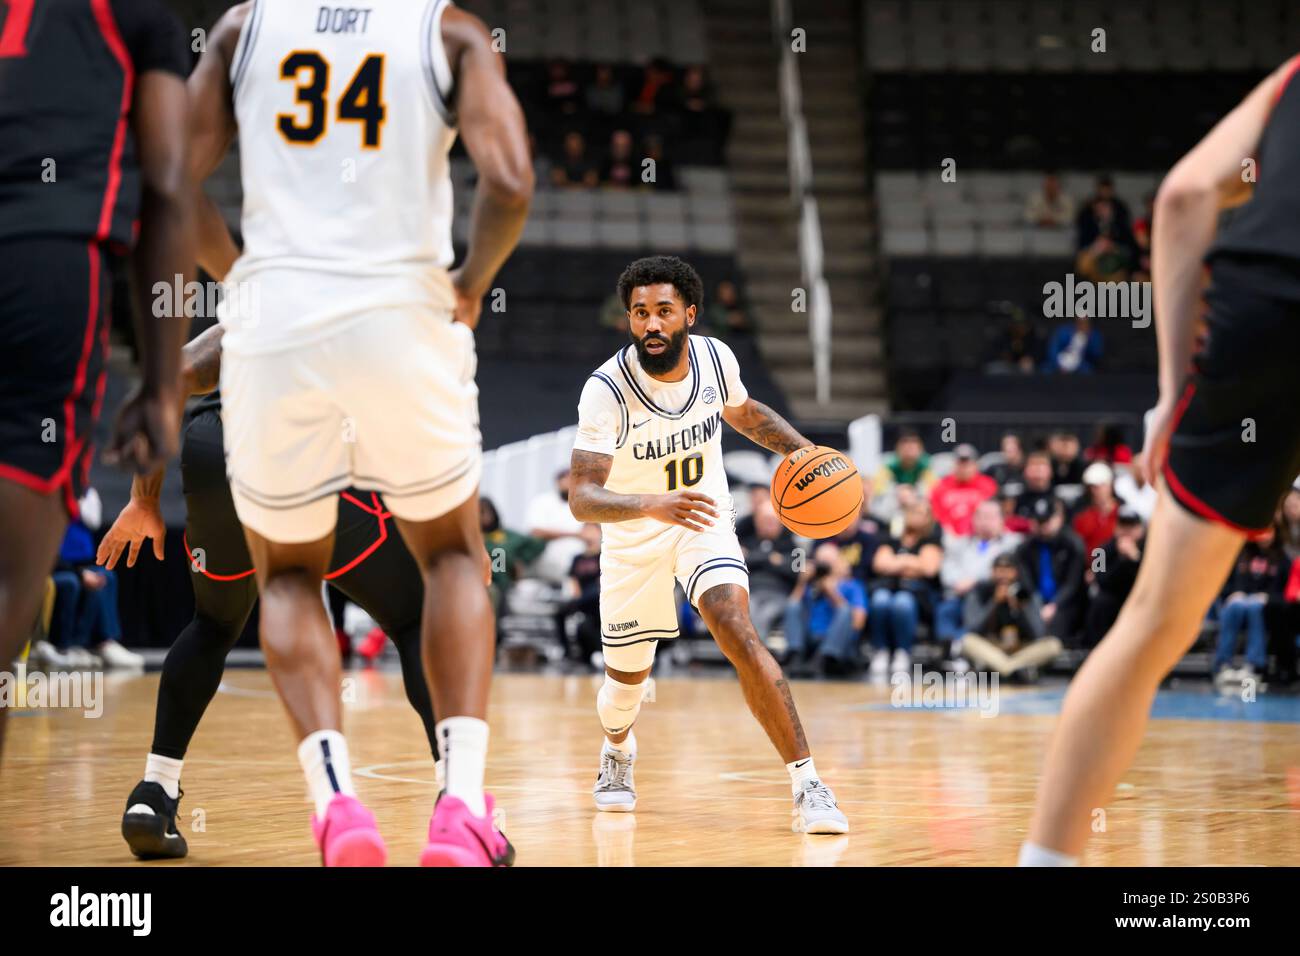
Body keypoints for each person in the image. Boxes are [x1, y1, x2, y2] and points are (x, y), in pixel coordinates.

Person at [185, 0, 532, 866]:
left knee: (290, 573)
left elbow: (164, 178)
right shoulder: (447, 31)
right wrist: (471, 282)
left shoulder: (241, 29)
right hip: (402, 316)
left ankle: (337, 803)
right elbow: (513, 181)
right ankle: (459, 805)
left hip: (274, 329)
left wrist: (252, 285)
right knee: (452, 555)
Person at [1023, 56, 1300, 866]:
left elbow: (1183, 196)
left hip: (1264, 306)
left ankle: (1048, 859)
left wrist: (1172, 397)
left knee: (1152, 627)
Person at [94, 328, 480, 860]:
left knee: (213, 625)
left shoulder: (264, 289)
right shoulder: (380, 296)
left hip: (216, 451)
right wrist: (461, 535)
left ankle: (154, 790)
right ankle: (458, 803)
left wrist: (144, 500)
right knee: (415, 619)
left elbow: (174, 374)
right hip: (313, 453)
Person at [569, 255, 847, 833]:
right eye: (639, 313)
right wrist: (649, 504)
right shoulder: (607, 391)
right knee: (626, 684)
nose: (650, 324)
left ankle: (808, 784)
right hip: (632, 536)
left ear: (689, 315)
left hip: (703, 518)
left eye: (663, 311)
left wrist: (803, 451)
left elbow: (744, 414)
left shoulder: (717, 359)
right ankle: (617, 751)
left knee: (737, 629)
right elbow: (583, 497)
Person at [0, 0, 193, 765]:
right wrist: (161, 382)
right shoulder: (131, 15)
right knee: (12, 577)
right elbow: (171, 185)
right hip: (43, 260)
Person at [935, 499, 1022, 663]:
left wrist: (974, 581)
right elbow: (947, 569)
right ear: (973, 520)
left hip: (988, 596)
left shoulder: (1012, 543)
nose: (985, 522)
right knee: (946, 610)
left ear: (1001, 520)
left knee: (973, 611)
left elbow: (1004, 573)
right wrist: (958, 583)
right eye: (980, 517)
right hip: (958, 594)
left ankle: (962, 651)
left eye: (990, 517)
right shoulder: (960, 543)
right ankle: (949, 651)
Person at [1211, 522, 1291, 692]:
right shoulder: (1242, 555)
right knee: (1234, 606)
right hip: (1241, 604)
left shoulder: (1283, 559)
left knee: (1256, 607)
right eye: (1262, 531)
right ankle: (1223, 663)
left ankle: (1253, 665)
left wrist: (1268, 598)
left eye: (1269, 532)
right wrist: (1234, 593)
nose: (1265, 536)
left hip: (1267, 610)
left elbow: (1286, 594)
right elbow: (1226, 585)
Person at [868, 499, 943, 678]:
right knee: (880, 599)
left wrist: (897, 562)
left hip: (918, 595)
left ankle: (903, 651)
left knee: (902, 602)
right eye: (912, 512)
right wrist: (911, 562)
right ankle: (881, 650)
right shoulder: (891, 538)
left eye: (920, 513)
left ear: (928, 519)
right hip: (890, 588)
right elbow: (879, 564)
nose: (914, 517)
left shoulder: (930, 540)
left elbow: (929, 568)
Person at [960, 554, 1060, 680]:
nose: (1004, 575)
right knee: (967, 641)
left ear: (1016, 572)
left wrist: (1021, 608)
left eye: (1008, 570)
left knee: (1053, 645)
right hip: (993, 647)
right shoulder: (980, 592)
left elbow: (1038, 633)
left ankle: (1004, 668)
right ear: (992, 572)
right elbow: (973, 628)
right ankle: (1013, 670)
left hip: (1021, 648)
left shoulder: (1026, 593)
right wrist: (994, 602)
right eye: (1000, 570)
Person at [783, 542, 868, 677]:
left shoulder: (852, 585)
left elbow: (858, 623)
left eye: (829, 562)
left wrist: (833, 593)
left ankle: (823, 659)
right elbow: (791, 607)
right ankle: (795, 656)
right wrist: (802, 582)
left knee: (845, 610)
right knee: (793, 605)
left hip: (837, 643)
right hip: (811, 637)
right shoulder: (810, 585)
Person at [1014, 496, 1086, 643]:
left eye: (1046, 521)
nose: (1042, 526)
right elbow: (1027, 583)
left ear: (1059, 518)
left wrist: (1055, 604)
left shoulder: (1073, 544)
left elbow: (1073, 583)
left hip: (1066, 602)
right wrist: (1038, 605)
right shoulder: (1024, 549)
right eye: (1039, 521)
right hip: (1036, 601)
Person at [736, 497, 800, 642]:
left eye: (772, 521)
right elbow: (738, 563)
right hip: (750, 594)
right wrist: (773, 559)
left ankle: (750, 657)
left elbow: (798, 571)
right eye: (765, 521)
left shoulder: (793, 544)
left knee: (764, 615)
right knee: (745, 612)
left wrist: (754, 557)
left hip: (778, 596)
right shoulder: (746, 539)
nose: (769, 525)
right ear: (757, 521)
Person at [1082, 506, 1146, 647]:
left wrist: (1135, 558)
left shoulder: (1150, 549)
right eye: (1123, 526)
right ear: (1116, 527)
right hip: (1113, 598)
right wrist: (1122, 560)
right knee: (1099, 602)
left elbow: (1150, 580)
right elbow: (1100, 582)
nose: (1127, 531)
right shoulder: (1101, 550)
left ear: (1140, 529)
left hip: (1140, 597)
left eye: (1132, 526)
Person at [480, 497, 544, 617]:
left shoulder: (506, 536)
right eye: (479, 512)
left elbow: (537, 543)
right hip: (475, 583)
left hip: (501, 584)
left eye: (485, 512)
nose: (483, 517)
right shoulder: (471, 537)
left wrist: (521, 560)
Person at [555, 523, 604, 667]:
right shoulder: (577, 558)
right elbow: (574, 580)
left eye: (591, 529)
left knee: (594, 609)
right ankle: (565, 650)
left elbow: (602, 580)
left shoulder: (603, 555)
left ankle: (600, 651)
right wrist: (577, 597)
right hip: (583, 598)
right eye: (585, 529)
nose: (587, 533)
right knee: (560, 613)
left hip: (598, 596)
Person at [526, 468, 586, 583]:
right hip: (550, 562)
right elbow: (536, 531)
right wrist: (577, 534)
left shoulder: (585, 502)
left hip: (583, 563)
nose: (569, 482)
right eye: (565, 479)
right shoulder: (543, 501)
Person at [930, 443, 997, 536]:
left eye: (967, 464)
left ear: (976, 465)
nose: (963, 468)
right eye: (960, 463)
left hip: (978, 534)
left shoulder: (988, 484)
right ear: (954, 465)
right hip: (948, 535)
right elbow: (936, 515)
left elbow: (992, 514)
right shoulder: (941, 485)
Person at [1072, 462, 1123, 554]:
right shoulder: (1082, 518)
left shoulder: (1123, 513)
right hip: (1091, 565)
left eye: (1102, 485)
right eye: (1093, 487)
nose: (1097, 491)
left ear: (1111, 486)